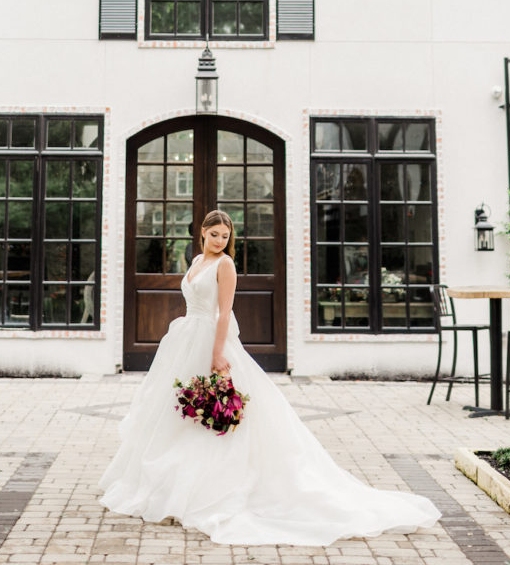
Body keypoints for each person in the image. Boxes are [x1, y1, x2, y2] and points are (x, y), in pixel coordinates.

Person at [98, 209, 441, 546]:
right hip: (186, 339)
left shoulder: (225, 265)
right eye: (214, 234)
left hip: (211, 340)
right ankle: (172, 483)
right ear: (202, 232)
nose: (219, 241)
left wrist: (217, 353)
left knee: (215, 408)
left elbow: (225, 311)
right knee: (179, 411)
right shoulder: (195, 262)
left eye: (225, 236)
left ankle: (213, 487)